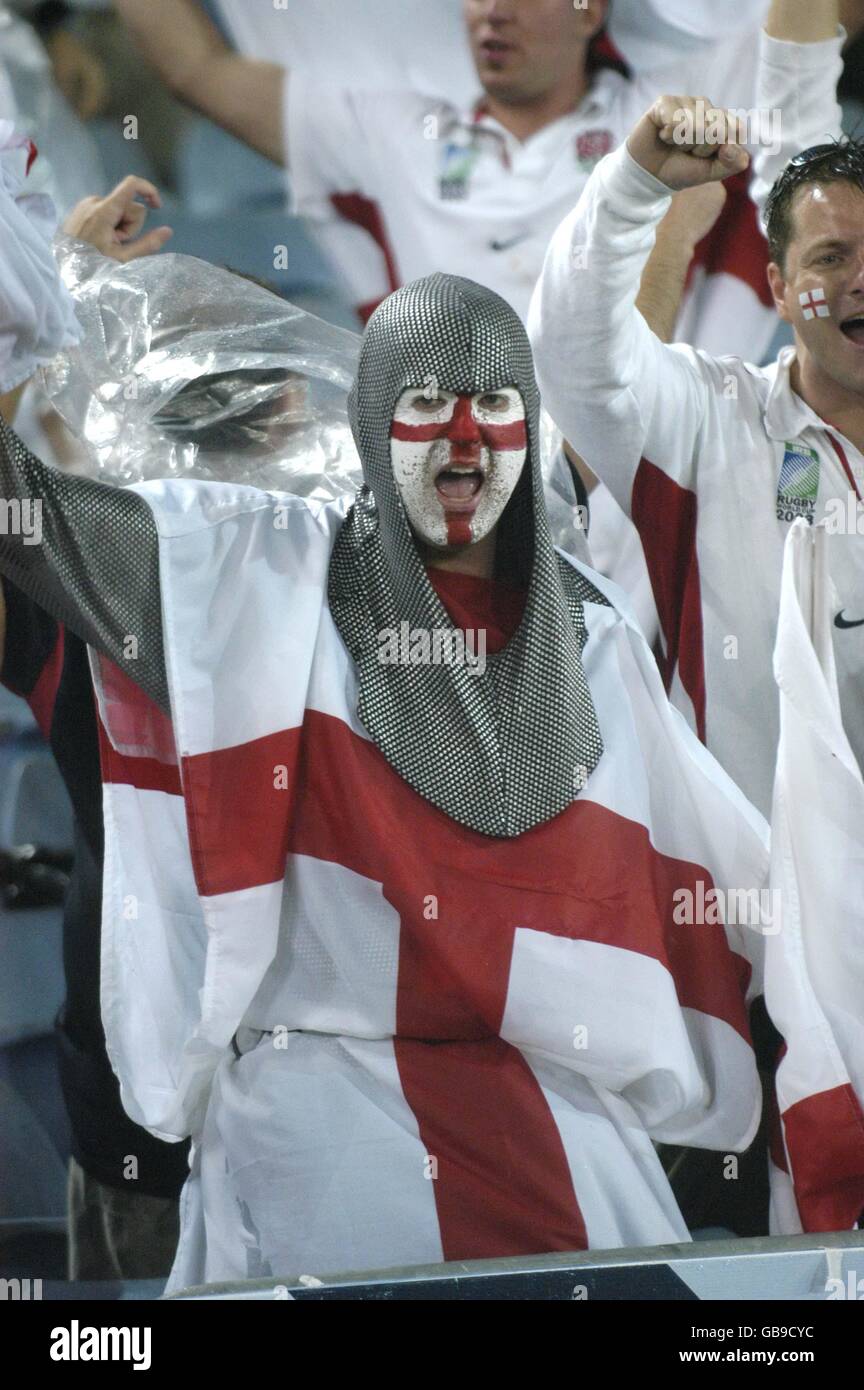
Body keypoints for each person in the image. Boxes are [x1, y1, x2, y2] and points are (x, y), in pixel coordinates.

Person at [0, 199, 778, 1282]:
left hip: (577, 1152)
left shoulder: (592, 635)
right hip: (287, 1149)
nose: (464, 435)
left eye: (494, 403)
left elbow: (739, 924)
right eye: (425, 402)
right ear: (369, 418)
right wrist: (21, 297)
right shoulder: (230, 577)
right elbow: (17, 509)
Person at [528, 0, 856, 819]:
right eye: (832, 259)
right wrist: (633, 190)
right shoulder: (716, 426)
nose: (860, 279)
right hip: (748, 918)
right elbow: (580, 364)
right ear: (778, 288)